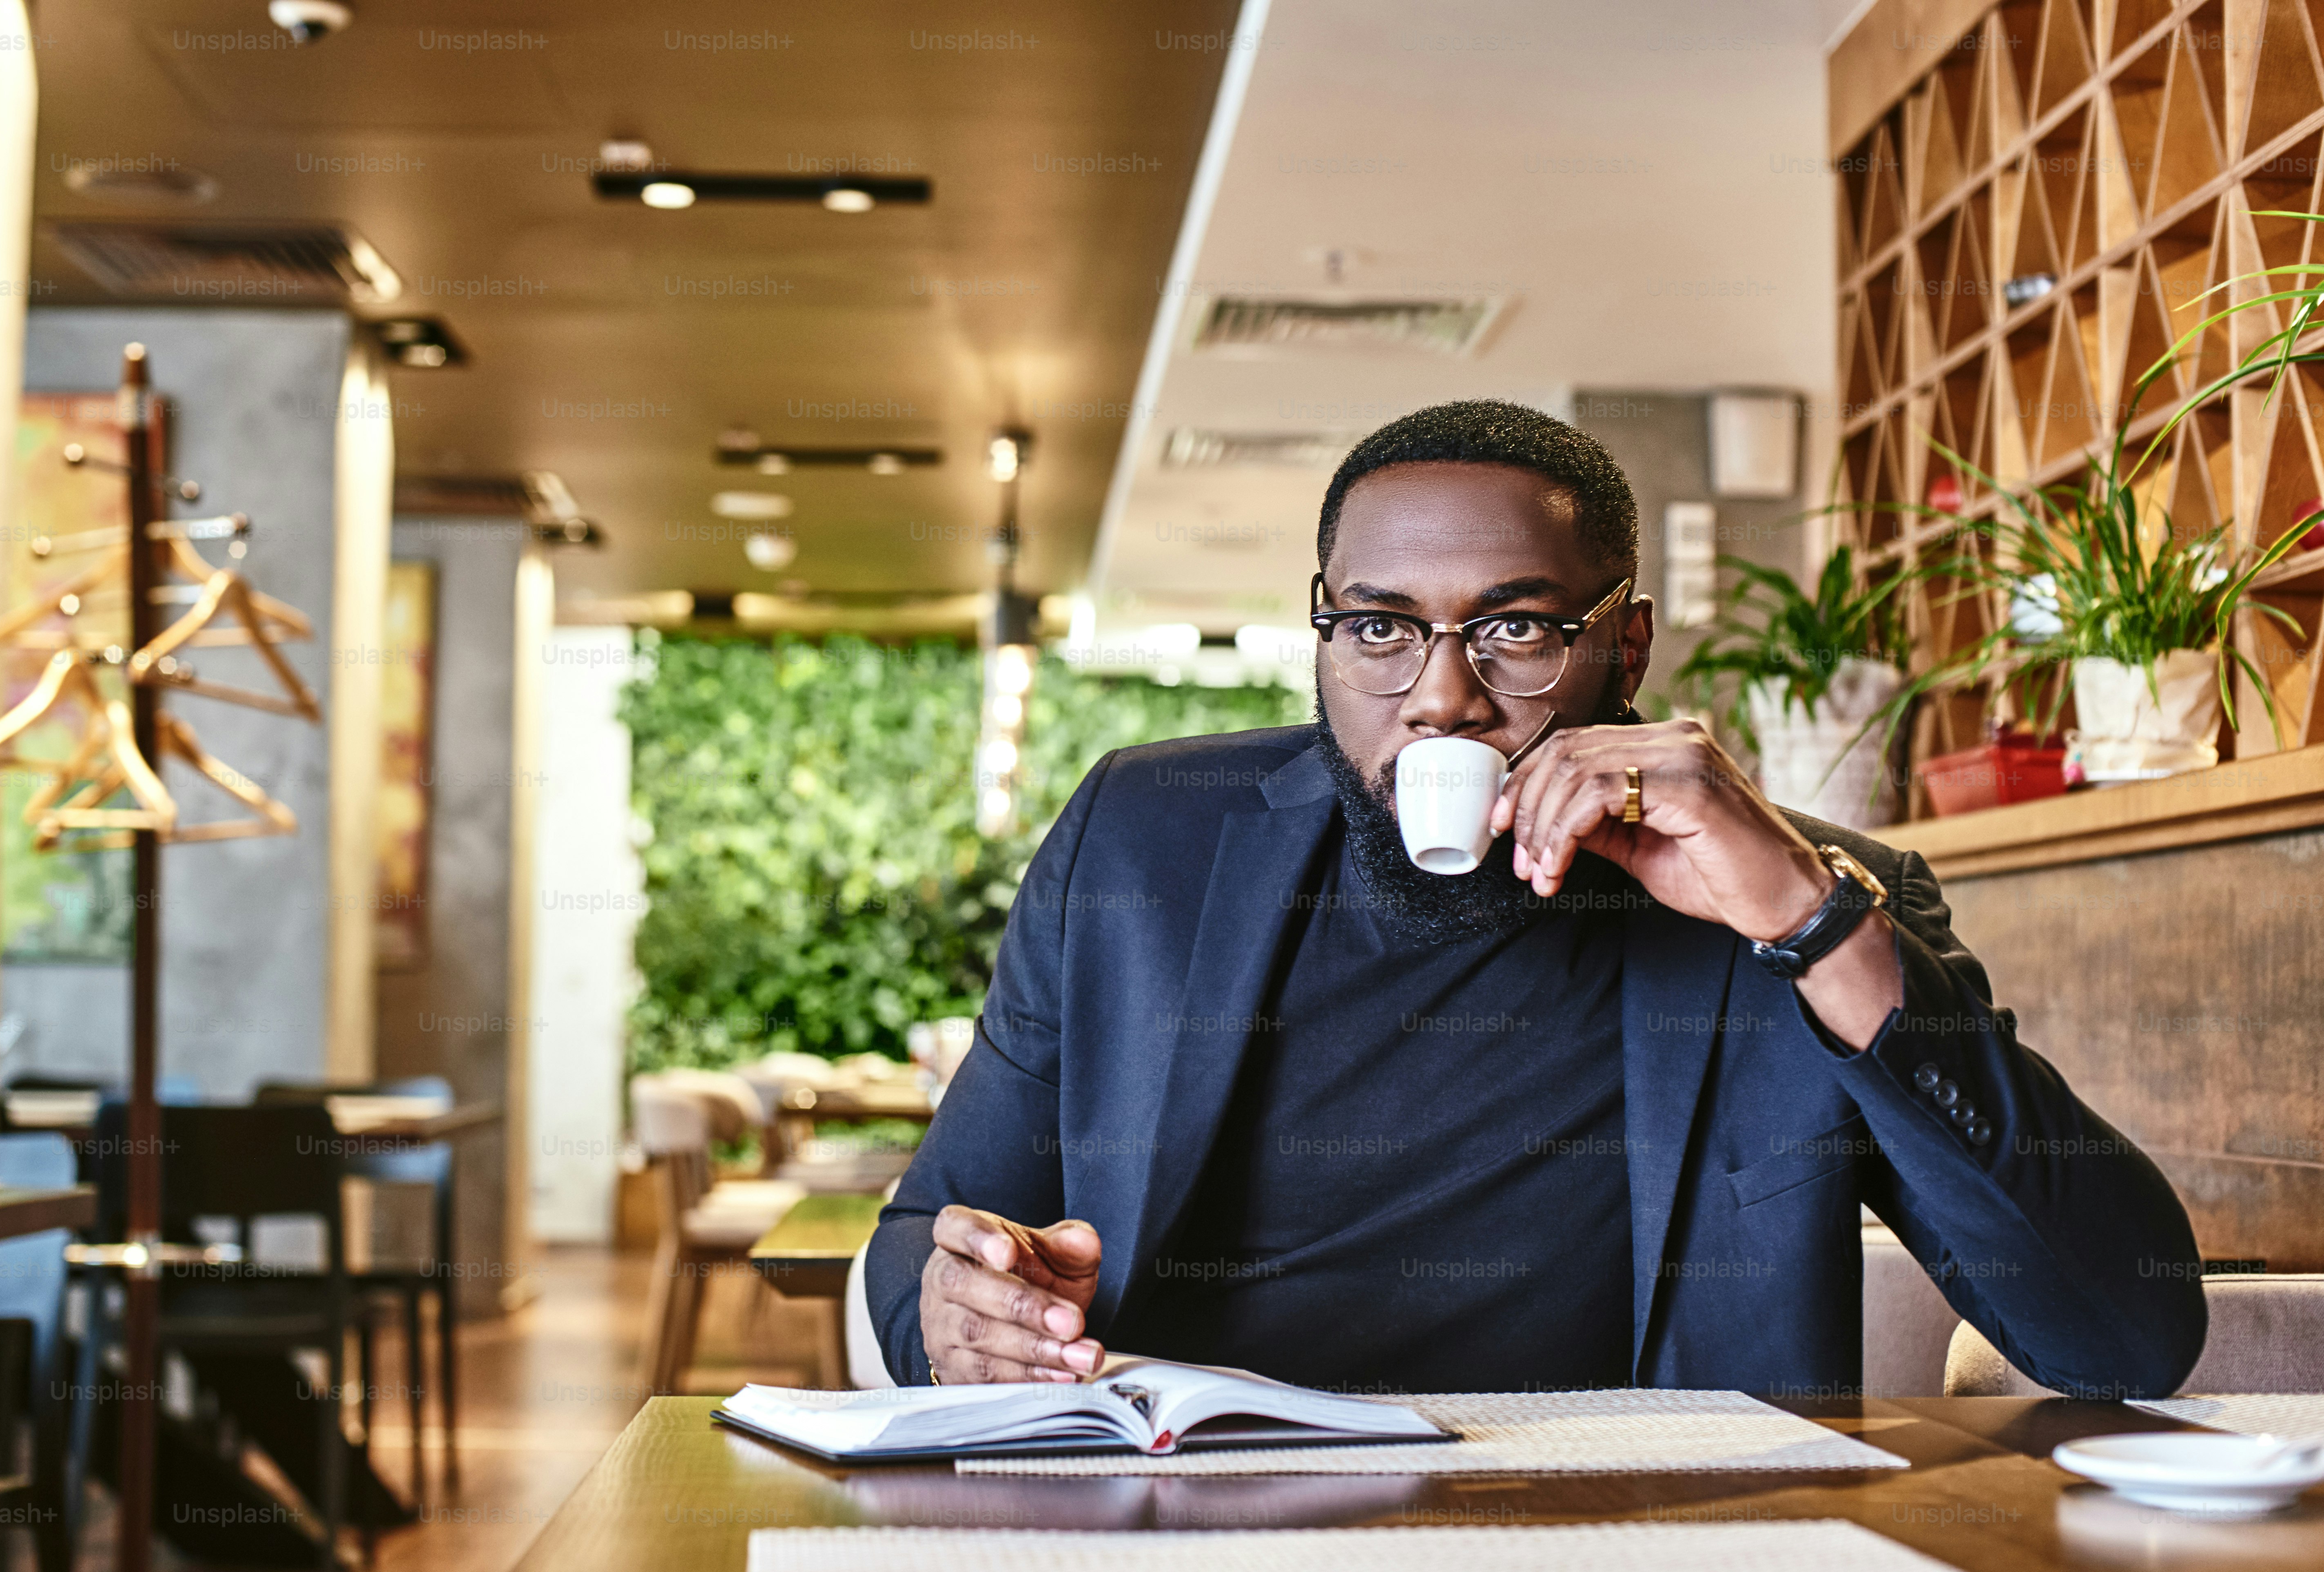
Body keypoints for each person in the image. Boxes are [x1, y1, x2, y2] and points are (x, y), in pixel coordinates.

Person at [867, 400, 2206, 1398]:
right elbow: (925, 1235)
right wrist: (959, 1312)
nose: (1442, 697)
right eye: (1380, 628)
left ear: (1627, 645)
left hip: (1629, 1557)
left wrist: (1811, 924)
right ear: (1325, 633)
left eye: (1515, 628)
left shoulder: (1803, 904)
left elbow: (2125, 1338)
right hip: (1190, 1538)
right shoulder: (1144, 842)